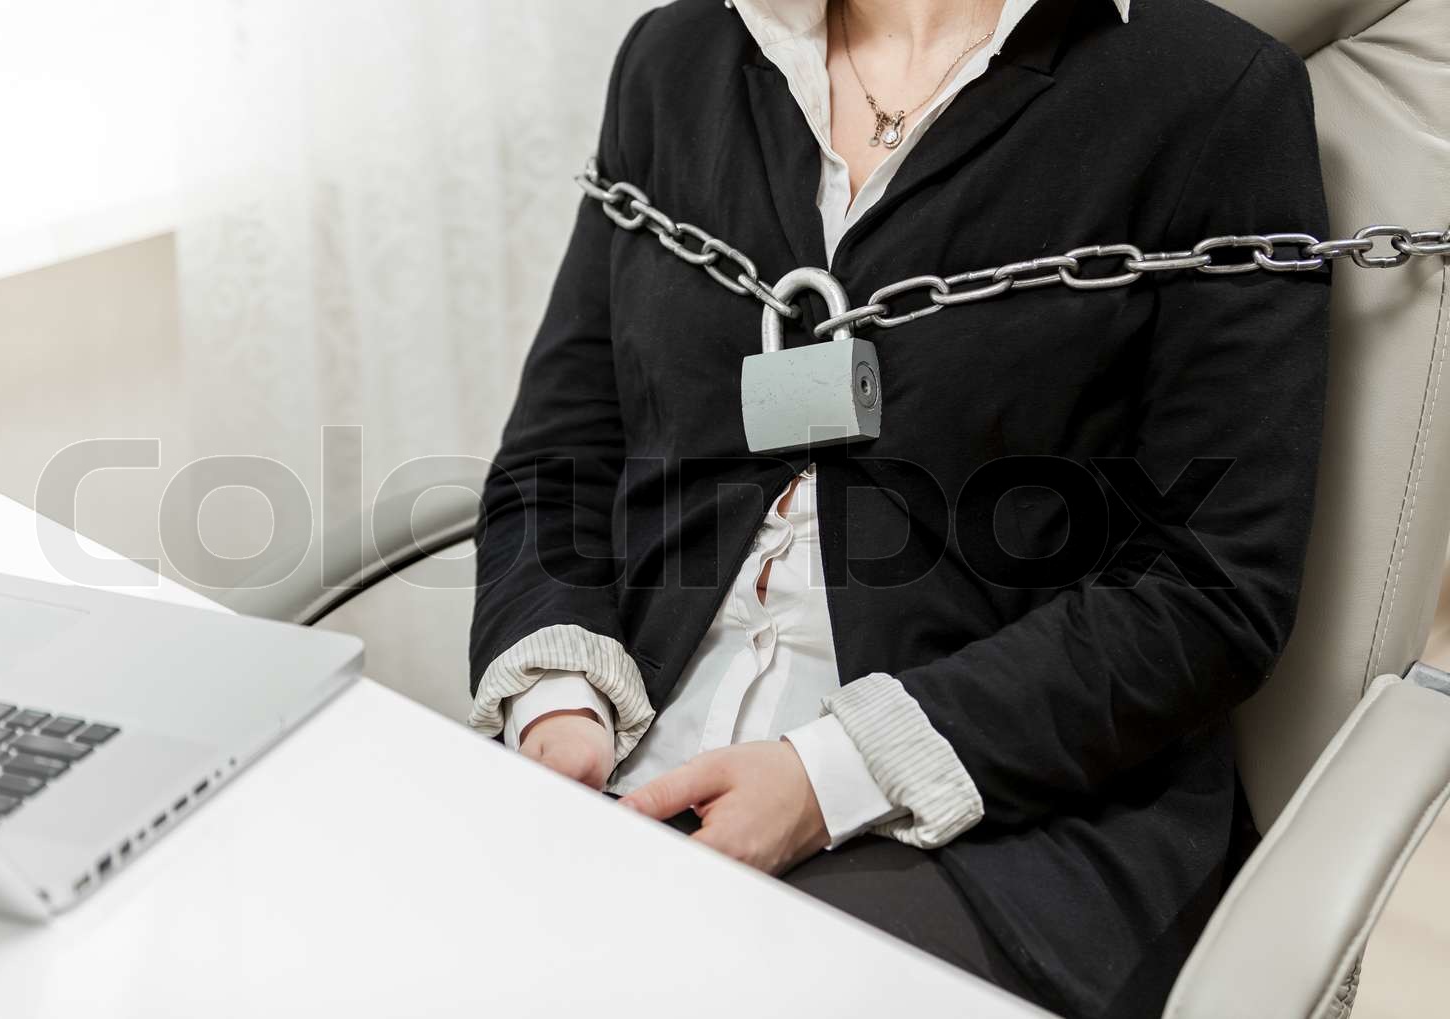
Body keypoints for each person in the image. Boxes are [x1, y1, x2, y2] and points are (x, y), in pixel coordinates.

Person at [467, 1, 1330, 1015]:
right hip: (633, 724)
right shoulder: (678, 55)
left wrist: (826, 775)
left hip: (1007, 812)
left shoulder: (1211, 96)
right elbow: (557, 451)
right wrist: (557, 696)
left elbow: (1207, 585)